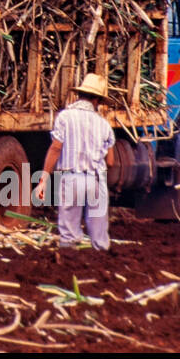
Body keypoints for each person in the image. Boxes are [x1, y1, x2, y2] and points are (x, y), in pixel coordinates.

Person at [33, 73, 115, 251]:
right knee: (100, 236)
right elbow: (110, 161)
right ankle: (101, 259)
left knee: (69, 235)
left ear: (80, 95)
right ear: (96, 100)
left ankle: (70, 261)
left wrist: (43, 179)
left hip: (72, 178)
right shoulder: (104, 125)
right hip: (96, 180)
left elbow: (56, 148)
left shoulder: (65, 117)